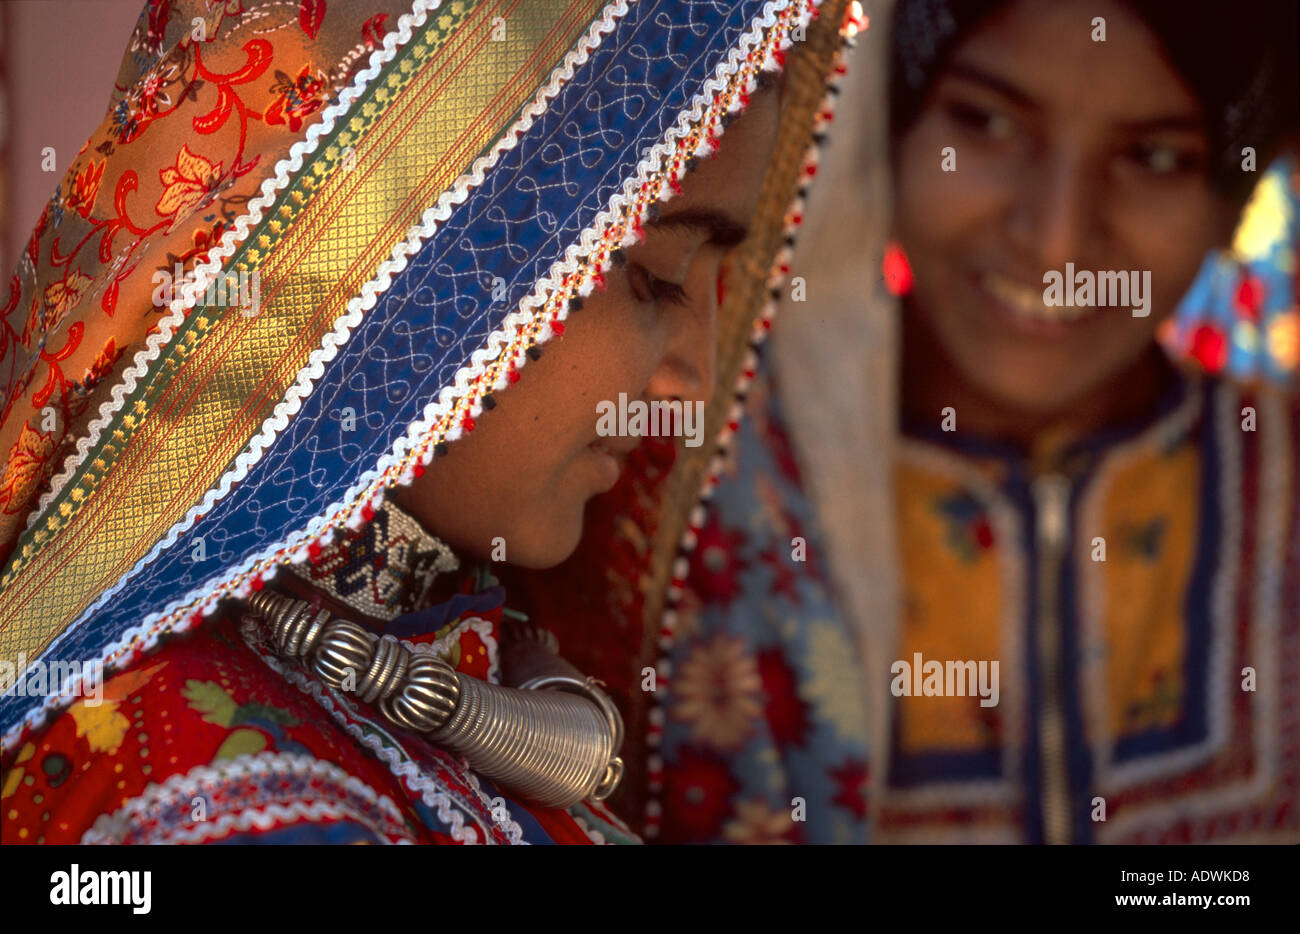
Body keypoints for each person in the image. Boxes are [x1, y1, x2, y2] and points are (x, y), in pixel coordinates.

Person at [0, 0, 859, 844]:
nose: (693, 387)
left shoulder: (457, 679)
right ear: (391, 242)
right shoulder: (211, 793)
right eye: (658, 276)